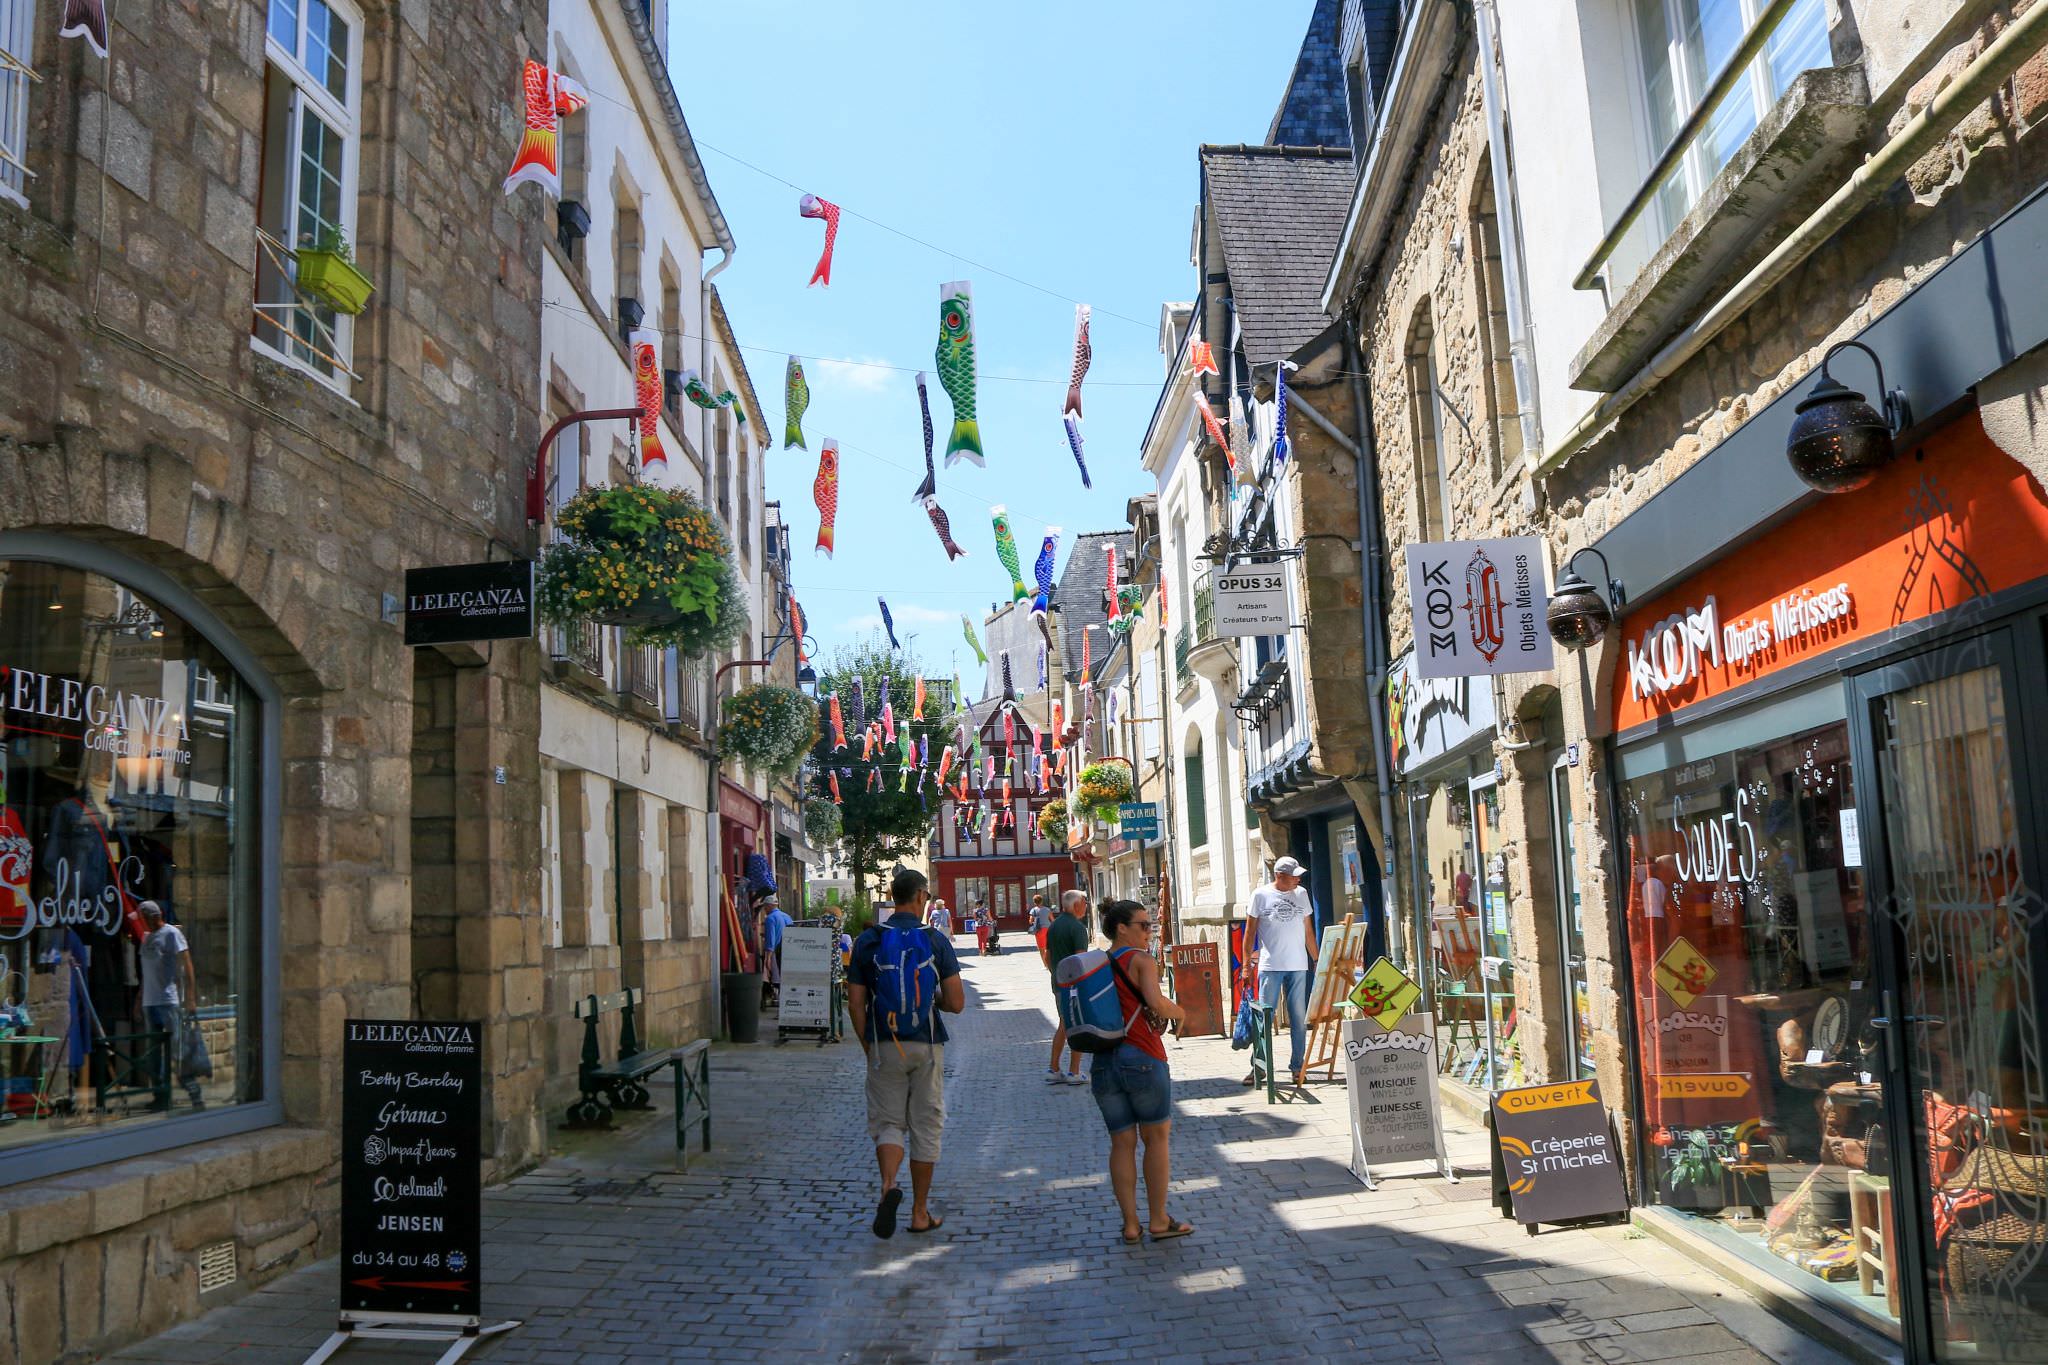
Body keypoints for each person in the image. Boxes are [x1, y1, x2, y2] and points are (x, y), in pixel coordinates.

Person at [846, 867, 964, 1239]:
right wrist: (934, 1000)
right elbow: (957, 1002)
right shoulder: (934, 940)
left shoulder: (869, 940)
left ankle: (888, 1186)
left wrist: (869, 1045)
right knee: (926, 1126)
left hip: (884, 1043)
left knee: (888, 1123)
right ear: (920, 897)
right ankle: (918, 1212)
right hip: (926, 1044)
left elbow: (854, 1003)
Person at [1090, 898, 1190, 1245]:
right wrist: (1181, 1013)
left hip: (1104, 1061)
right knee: (1157, 1139)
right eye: (1144, 925)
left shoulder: (1097, 963)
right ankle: (1159, 1220)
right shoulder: (1141, 960)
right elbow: (1155, 1002)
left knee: (1121, 1143)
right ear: (1122, 928)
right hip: (1143, 1056)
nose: (1150, 931)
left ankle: (1131, 1224)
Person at [1242, 856, 1319, 1088]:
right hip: (1271, 966)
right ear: (1279, 875)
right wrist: (1246, 965)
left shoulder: (1302, 894)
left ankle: (1298, 1067)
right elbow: (1249, 932)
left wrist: (1316, 959)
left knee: (1298, 1019)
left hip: (1298, 966)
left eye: (1298, 875)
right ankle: (1259, 1068)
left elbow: (1308, 930)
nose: (1298, 878)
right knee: (1264, 1018)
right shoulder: (1260, 895)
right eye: (1294, 875)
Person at [138, 901, 203, 1111]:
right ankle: (160, 1096)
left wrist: (191, 997)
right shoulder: (146, 938)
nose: (141, 922)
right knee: (154, 1054)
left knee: (178, 1050)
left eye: (143, 918)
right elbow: (145, 972)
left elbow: (187, 964)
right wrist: (139, 998)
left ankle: (194, 1093)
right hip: (150, 1002)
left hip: (167, 1001)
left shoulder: (171, 933)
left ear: (153, 916)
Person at [1043, 890, 1090, 1084]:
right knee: (1076, 1025)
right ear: (1076, 905)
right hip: (1074, 984)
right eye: (1085, 902)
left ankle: (1054, 1068)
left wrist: (1055, 972)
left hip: (1058, 981)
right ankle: (1074, 1071)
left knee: (1064, 1023)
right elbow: (1081, 959)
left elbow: (1047, 955)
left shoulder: (1055, 926)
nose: (1086, 906)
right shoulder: (1077, 928)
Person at [761, 896, 794, 1010]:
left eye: (765, 907)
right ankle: (788, 1006)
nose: (764, 909)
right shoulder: (787, 917)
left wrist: (768, 957)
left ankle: (782, 1008)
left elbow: (771, 938)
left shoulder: (770, 918)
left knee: (777, 979)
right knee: (787, 978)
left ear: (769, 906)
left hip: (777, 952)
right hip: (790, 951)